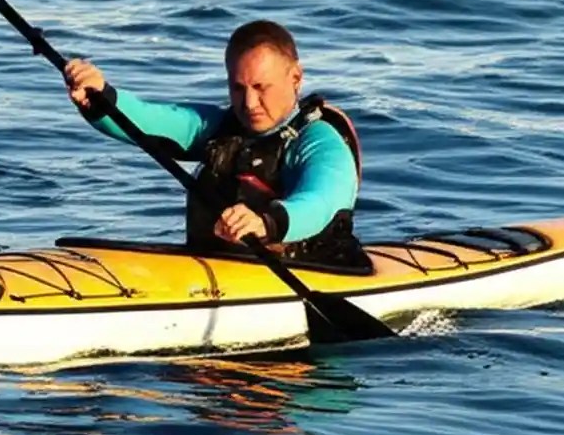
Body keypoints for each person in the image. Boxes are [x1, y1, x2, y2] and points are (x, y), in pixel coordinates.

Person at [62, 19, 370, 270]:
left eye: (261, 87)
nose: (249, 103)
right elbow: (147, 120)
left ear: (296, 78)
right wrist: (99, 97)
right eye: (238, 88)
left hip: (317, 271)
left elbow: (321, 201)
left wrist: (267, 223)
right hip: (217, 267)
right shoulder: (219, 129)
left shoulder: (320, 142)